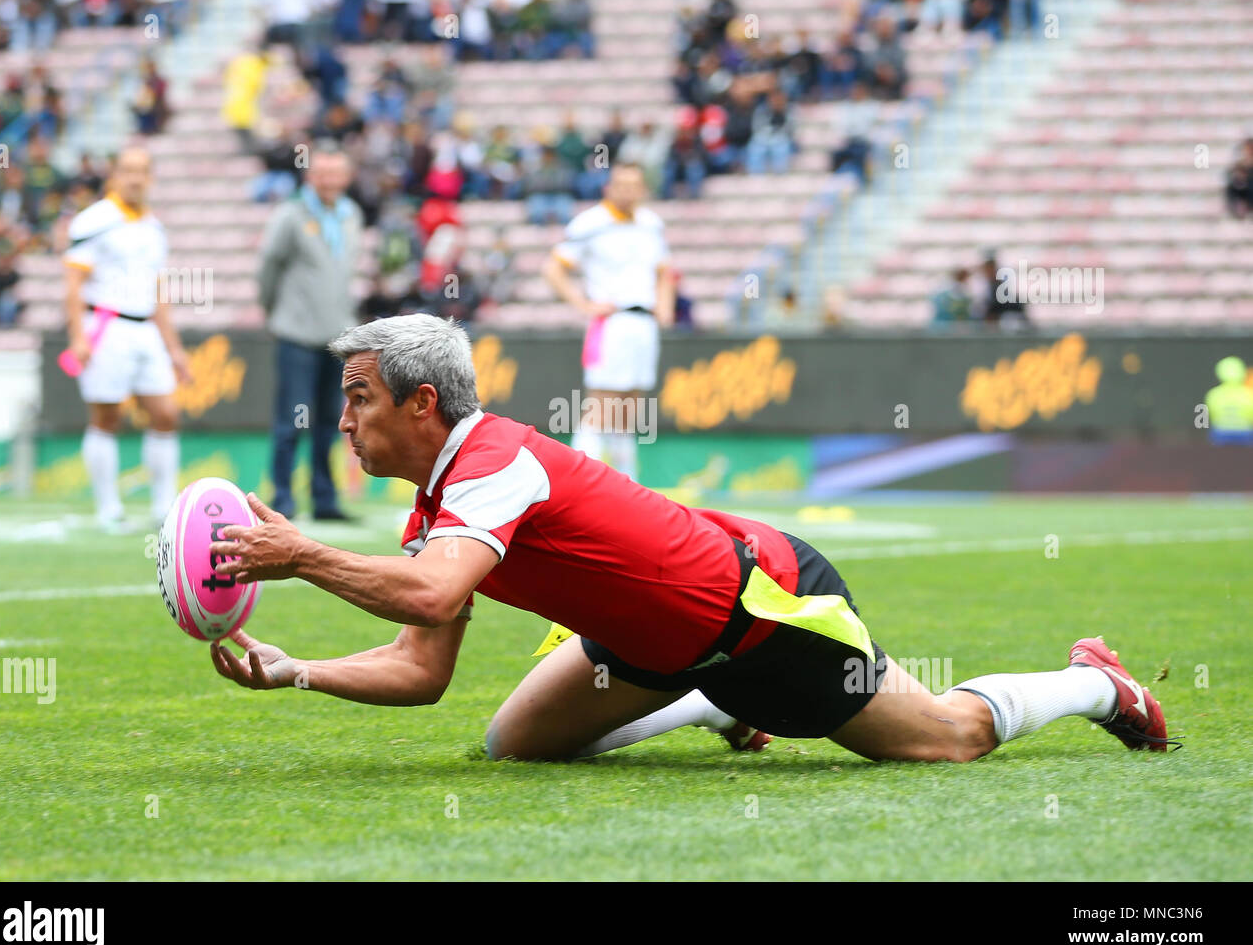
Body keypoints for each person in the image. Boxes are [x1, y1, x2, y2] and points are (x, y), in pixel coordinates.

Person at [205, 314, 1179, 764]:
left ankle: (1096, 681)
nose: (343, 421)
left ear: (423, 404)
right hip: (645, 644)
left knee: (946, 742)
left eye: (358, 399)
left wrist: (305, 558)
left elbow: (424, 595)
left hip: (764, 615)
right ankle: (711, 709)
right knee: (512, 746)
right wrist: (297, 670)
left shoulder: (497, 460)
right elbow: (422, 668)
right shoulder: (437, 499)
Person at [61, 145, 191, 531]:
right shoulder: (93, 221)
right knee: (107, 416)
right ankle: (108, 507)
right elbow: (73, 285)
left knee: (166, 413)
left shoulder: (154, 226)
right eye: (128, 170)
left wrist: (174, 347)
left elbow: (159, 291)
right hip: (106, 326)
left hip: (146, 329)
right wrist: (78, 338)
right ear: (114, 174)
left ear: (150, 177)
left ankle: (163, 507)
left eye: (142, 170)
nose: (135, 177)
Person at [541, 162, 674, 481]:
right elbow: (554, 268)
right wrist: (584, 304)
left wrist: (664, 306)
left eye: (634, 185)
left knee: (630, 405)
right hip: (612, 323)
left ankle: (625, 481)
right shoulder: (591, 223)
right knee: (602, 402)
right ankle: (577, 479)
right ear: (608, 188)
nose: (628, 191)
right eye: (621, 184)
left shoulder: (651, 224)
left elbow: (664, 270)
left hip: (643, 323)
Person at [257, 148, 362, 521]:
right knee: (290, 421)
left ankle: (324, 499)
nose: (329, 181)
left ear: (346, 177)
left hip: (337, 339)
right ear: (309, 177)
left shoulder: (351, 214)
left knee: (330, 423)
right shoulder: (290, 215)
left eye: (336, 173)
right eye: (323, 174)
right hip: (297, 334)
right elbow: (268, 267)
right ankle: (282, 499)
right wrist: (274, 312)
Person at [1203, 356, 1253, 445]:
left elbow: (1211, 417)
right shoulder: (1249, 394)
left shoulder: (1213, 394)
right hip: (1246, 434)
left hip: (1220, 433)